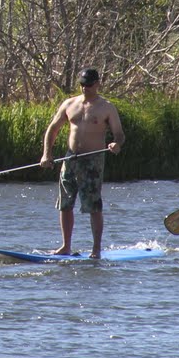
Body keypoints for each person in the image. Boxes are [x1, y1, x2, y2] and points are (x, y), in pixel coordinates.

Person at [41, 67, 125, 259]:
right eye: (82, 85)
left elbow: (119, 134)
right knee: (65, 203)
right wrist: (47, 154)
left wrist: (116, 144)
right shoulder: (69, 104)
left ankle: (96, 250)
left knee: (93, 205)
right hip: (70, 159)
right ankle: (66, 246)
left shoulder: (106, 107)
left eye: (88, 85)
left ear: (97, 84)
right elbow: (52, 129)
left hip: (93, 161)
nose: (85, 88)